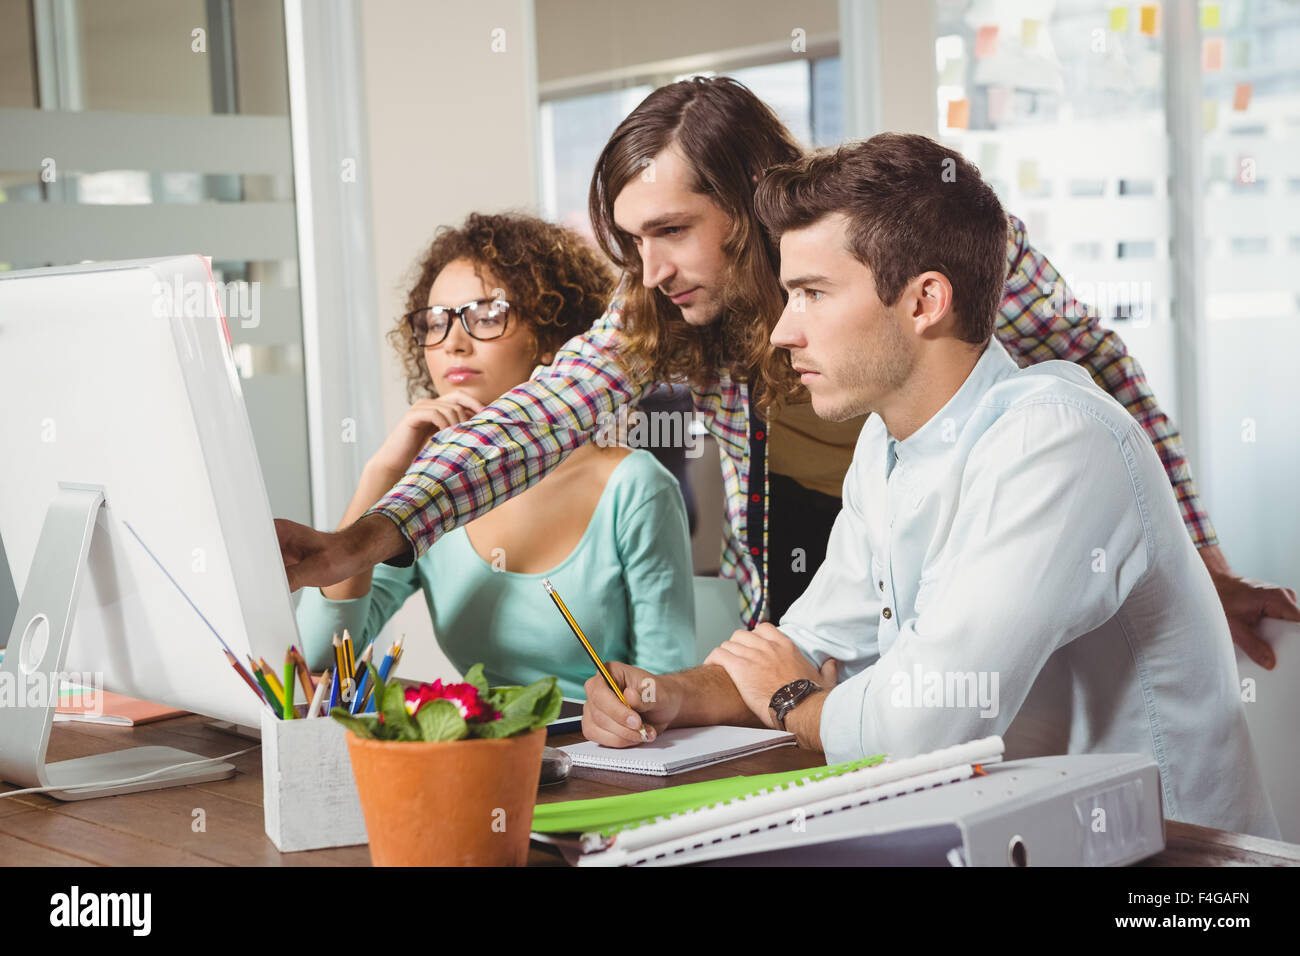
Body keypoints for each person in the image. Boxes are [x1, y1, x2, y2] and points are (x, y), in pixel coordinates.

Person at [275, 76, 1298, 672]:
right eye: (630, 241)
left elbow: (1104, 375)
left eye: (672, 230)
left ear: (747, 201)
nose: (649, 269)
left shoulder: (906, 232)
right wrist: (363, 539)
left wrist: (1200, 559)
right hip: (823, 591)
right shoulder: (666, 311)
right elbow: (535, 419)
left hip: (991, 576)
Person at [580, 134, 1279, 839]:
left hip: (1169, 859)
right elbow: (808, 641)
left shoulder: (1058, 439)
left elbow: (925, 722)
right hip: (1011, 839)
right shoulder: (887, 441)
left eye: (812, 294)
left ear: (924, 302)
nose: (782, 332)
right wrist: (664, 695)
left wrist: (793, 698)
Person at [293, 212, 695, 697]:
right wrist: (383, 473)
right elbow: (320, 654)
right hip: (480, 751)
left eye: (486, 316)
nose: (454, 344)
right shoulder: (425, 494)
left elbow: (666, 690)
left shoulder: (635, 487)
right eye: (435, 323)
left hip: (609, 755)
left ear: (550, 338)